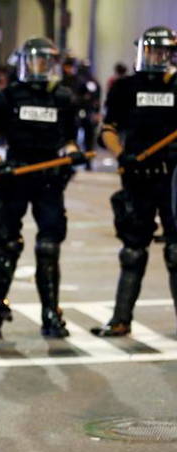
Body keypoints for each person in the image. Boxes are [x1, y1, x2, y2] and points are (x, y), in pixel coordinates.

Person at [0, 37, 88, 339]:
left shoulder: (64, 98)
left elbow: (69, 137)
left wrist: (71, 151)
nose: (41, 66)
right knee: (8, 245)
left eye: (46, 61)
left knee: (48, 246)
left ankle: (51, 314)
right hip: (16, 174)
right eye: (36, 60)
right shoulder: (8, 97)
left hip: (50, 177)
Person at [91, 26, 177, 337]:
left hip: (173, 179)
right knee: (132, 250)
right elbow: (108, 128)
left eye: (163, 52)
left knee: (176, 252)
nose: (157, 57)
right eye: (152, 50)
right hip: (137, 177)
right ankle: (120, 318)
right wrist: (121, 155)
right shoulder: (126, 87)